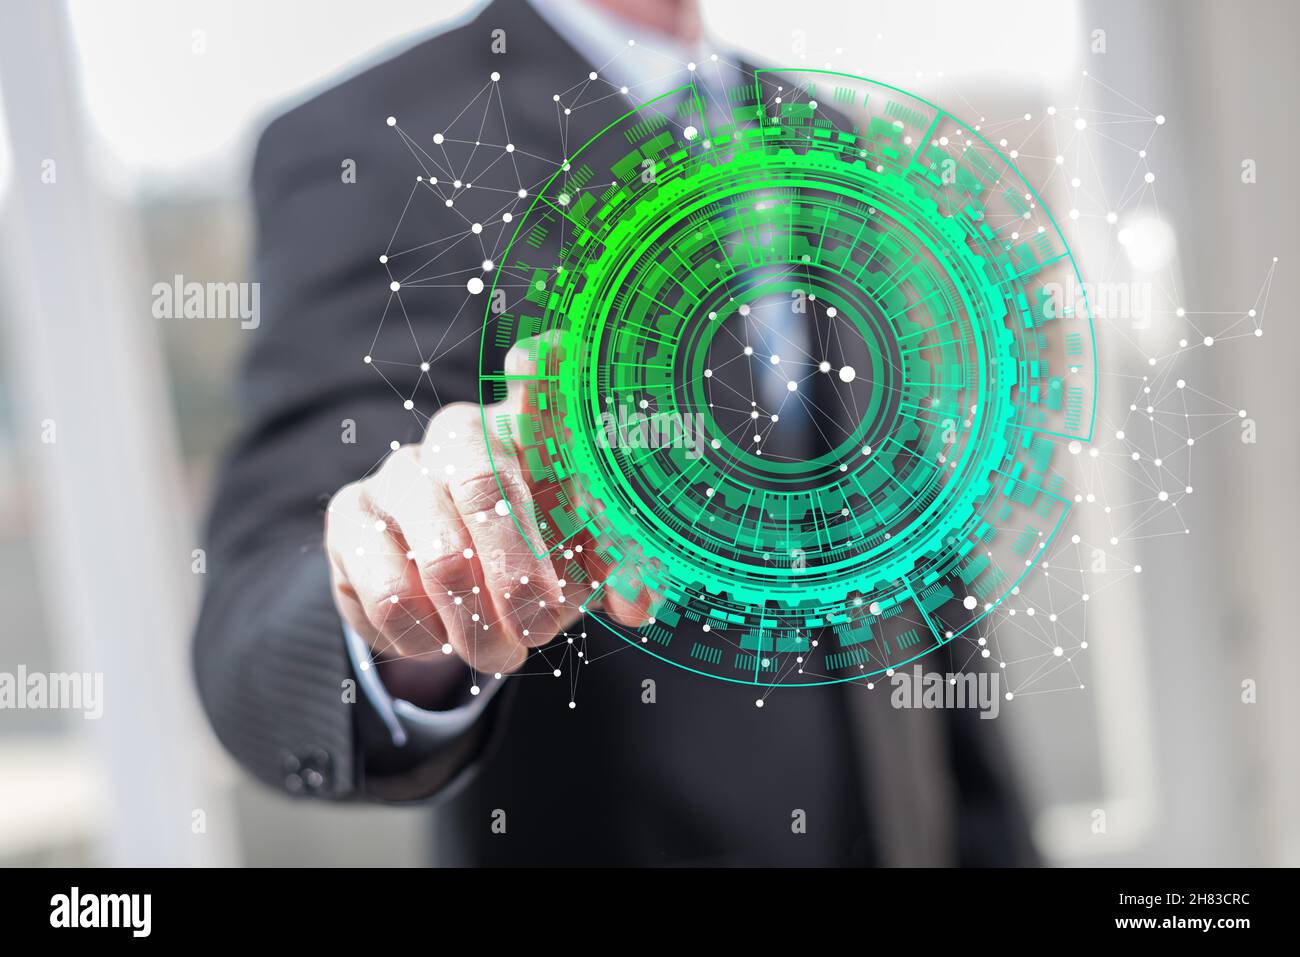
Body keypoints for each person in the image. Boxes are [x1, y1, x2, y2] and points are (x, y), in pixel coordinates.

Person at [193, 0, 1039, 866]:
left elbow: (904, 536)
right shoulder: (378, 139)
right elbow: (269, 604)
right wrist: (397, 586)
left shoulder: (813, 129)